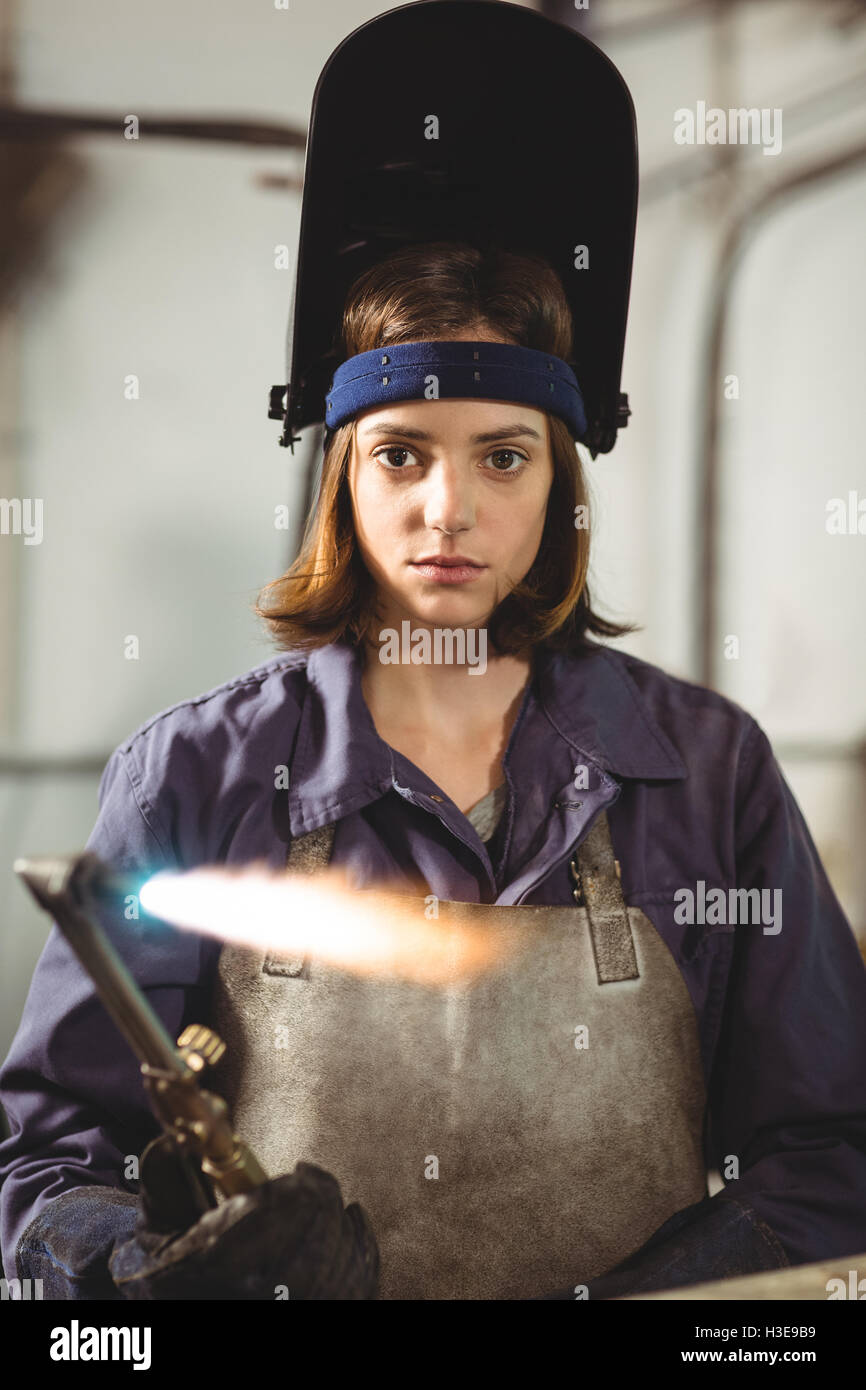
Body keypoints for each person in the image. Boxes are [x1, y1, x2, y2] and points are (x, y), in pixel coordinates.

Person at [2, 239, 866, 1301]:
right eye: (401, 455)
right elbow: (55, 1156)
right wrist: (147, 1269)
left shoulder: (706, 770)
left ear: (558, 483)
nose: (446, 508)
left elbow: (825, 1148)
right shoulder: (190, 773)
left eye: (501, 457)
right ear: (342, 477)